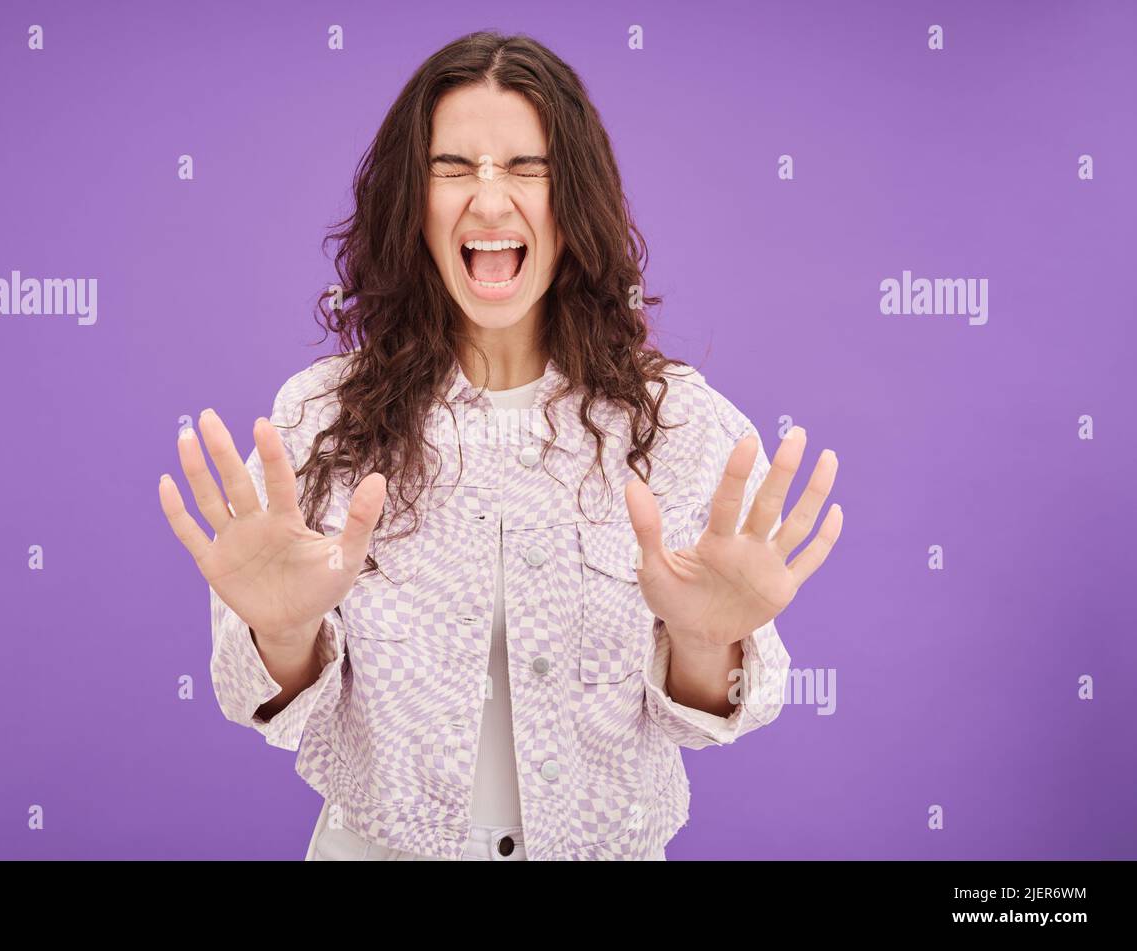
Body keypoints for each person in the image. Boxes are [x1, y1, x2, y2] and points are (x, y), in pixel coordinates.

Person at [158, 31, 843, 861]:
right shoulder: (318, 415)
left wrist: (703, 644)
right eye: (453, 167)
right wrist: (282, 633)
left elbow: (705, 713)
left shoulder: (682, 427)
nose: (489, 200)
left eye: (527, 165)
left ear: (575, 199)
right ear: (413, 202)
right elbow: (263, 698)